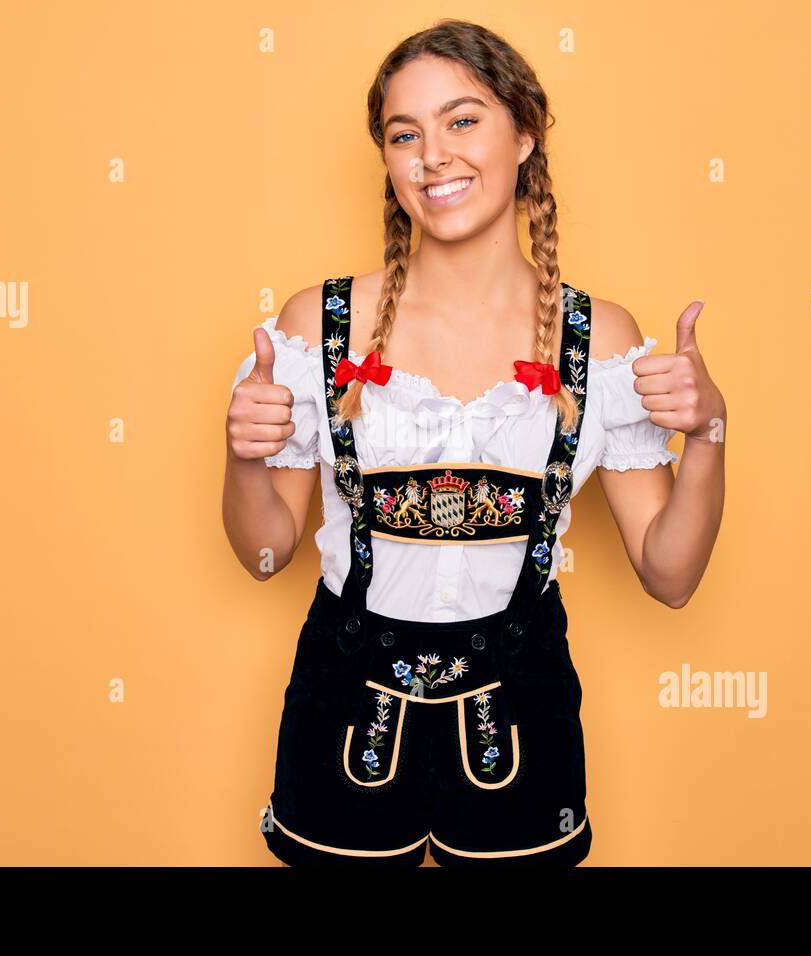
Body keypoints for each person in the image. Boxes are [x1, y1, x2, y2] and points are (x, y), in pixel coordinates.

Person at [222, 20, 726, 867]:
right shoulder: (318, 327)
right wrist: (240, 452)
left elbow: (670, 577)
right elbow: (266, 552)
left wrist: (709, 430)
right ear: (386, 158)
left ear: (525, 132)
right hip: (343, 707)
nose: (432, 157)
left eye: (463, 121)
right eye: (404, 133)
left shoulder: (597, 339)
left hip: (523, 716)